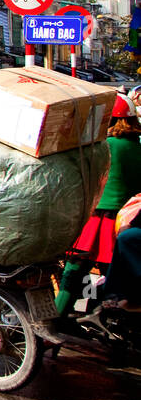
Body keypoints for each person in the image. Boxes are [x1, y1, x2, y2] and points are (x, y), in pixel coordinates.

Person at [54, 94, 141, 315]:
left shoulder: (106, 146)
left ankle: (54, 320)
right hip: (126, 219)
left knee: (73, 271)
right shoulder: (137, 146)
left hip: (101, 218)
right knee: (111, 273)